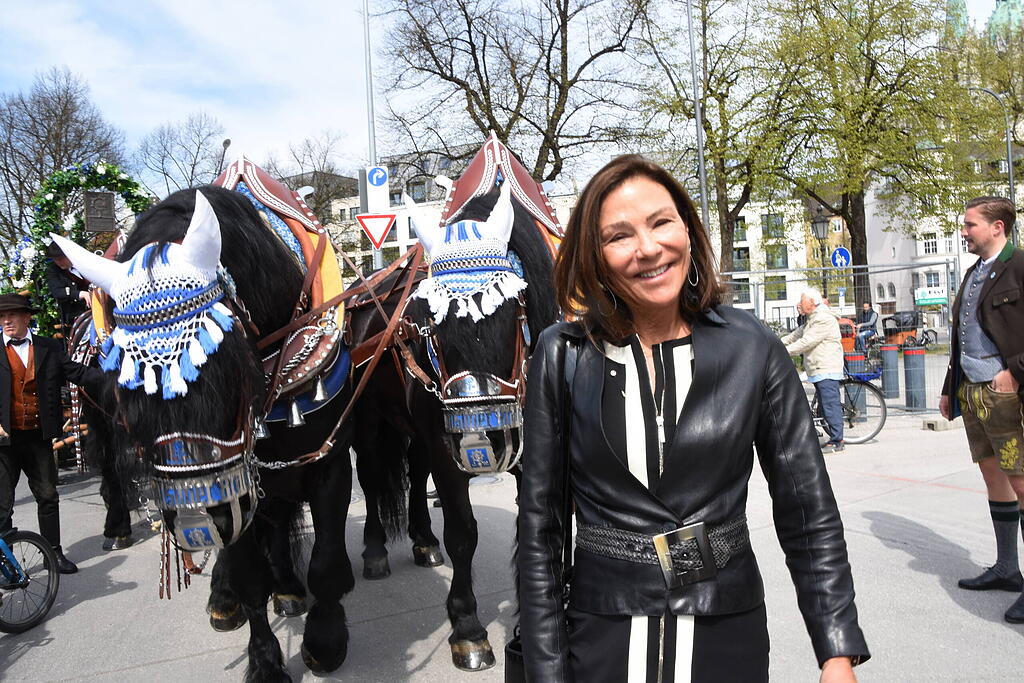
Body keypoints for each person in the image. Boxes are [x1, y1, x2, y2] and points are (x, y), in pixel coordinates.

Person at [518, 155, 868, 683]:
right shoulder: (562, 354)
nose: (648, 248)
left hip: (725, 627)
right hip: (602, 631)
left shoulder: (753, 347)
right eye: (619, 235)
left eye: (661, 222)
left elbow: (806, 506)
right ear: (595, 255)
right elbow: (540, 527)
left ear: (687, 226)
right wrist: (546, 668)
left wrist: (836, 651)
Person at [939, 196, 1024, 625]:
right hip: (972, 392)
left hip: (1006, 394)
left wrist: (1015, 373)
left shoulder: (1020, 267)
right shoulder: (974, 273)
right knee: (993, 476)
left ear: (998, 227)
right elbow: (964, 336)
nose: (963, 231)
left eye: (970, 224)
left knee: (1022, 482)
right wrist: (949, 388)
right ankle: (1008, 568)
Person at [0, 293, 105, 573]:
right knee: (2, 505)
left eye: (12, 315)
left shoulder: (48, 348)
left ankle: (53, 554)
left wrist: (116, 380)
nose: (7, 321)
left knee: (48, 496)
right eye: (2, 317)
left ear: (27, 317)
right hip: (4, 441)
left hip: (38, 438)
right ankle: (6, 564)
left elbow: (78, 373)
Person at [782, 289, 846, 453]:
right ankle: (834, 436)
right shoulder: (813, 318)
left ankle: (837, 440)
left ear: (812, 302)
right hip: (818, 367)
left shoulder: (823, 318)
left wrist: (784, 351)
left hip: (826, 367)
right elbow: (797, 334)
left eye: (802, 300)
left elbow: (807, 341)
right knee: (825, 406)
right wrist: (776, 342)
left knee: (830, 404)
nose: (799, 304)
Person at [44, 241, 90, 335]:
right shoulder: (53, 271)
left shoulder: (84, 263)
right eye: (55, 259)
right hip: (77, 314)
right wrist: (80, 294)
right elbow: (57, 292)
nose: (58, 262)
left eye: (61, 258)